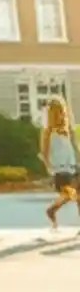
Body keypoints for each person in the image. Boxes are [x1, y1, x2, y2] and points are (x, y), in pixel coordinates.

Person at [40, 97, 79, 230]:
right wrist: (49, 167)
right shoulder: (48, 132)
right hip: (60, 169)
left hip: (73, 166)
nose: (62, 114)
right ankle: (52, 209)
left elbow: (75, 147)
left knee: (77, 195)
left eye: (62, 111)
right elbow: (44, 152)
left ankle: (52, 210)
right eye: (58, 112)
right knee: (71, 193)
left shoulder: (68, 130)